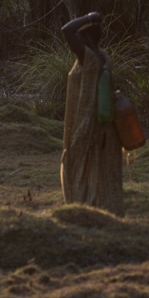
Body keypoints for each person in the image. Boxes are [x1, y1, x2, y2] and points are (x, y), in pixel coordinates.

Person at [59, 11, 125, 215]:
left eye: (80, 37)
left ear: (86, 37)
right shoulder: (104, 56)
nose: (75, 40)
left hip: (87, 123)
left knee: (76, 164)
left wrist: (89, 17)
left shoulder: (87, 56)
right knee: (99, 166)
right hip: (105, 123)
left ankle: (82, 205)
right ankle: (104, 205)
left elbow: (66, 30)